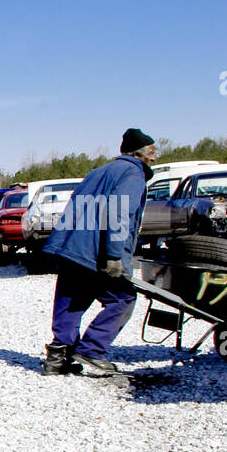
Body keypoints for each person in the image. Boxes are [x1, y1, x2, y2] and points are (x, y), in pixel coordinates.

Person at [41, 128, 156, 376]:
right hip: (96, 252)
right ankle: (91, 350)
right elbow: (119, 213)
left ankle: (57, 359)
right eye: (152, 152)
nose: (154, 159)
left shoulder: (97, 172)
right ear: (139, 153)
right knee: (122, 299)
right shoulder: (132, 173)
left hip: (73, 248)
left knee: (70, 300)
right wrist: (115, 255)